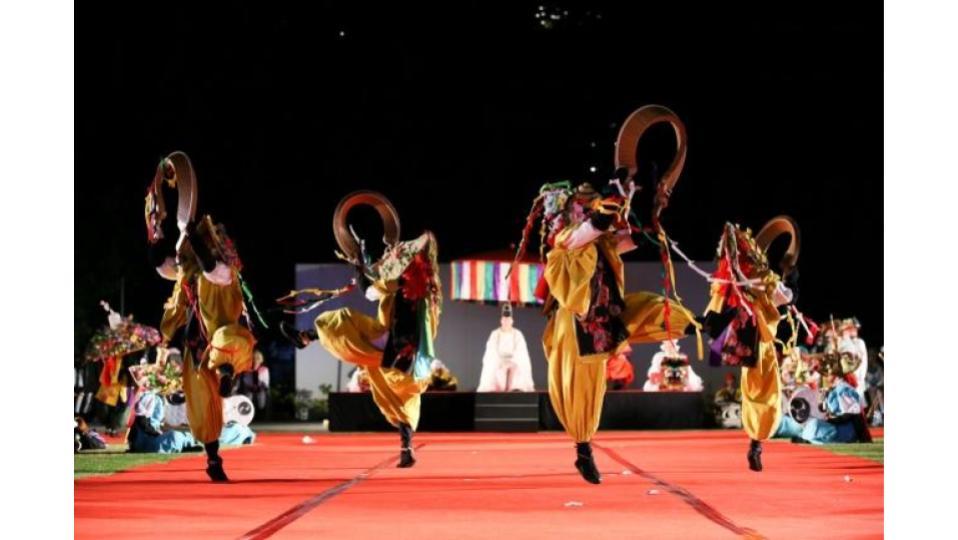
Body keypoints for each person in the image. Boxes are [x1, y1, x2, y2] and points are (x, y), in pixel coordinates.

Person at [515, 180, 698, 484]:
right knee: (581, 388)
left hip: (606, 315)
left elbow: (636, 238)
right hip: (577, 324)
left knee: (651, 307)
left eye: (592, 202)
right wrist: (616, 193)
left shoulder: (602, 241)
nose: (588, 207)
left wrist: (653, 207)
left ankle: (697, 324)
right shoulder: (567, 238)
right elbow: (595, 224)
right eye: (584, 205)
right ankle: (583, 450)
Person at [282, 210, 442, 469]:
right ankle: (406, 449)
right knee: (400, 401)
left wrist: (359, 260)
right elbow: (379, 283)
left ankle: (306, 337)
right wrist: (366, 259)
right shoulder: (430, 289)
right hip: (414, 370)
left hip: (390, 350)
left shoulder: (403, 282)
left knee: (342, 320)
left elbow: (368, 290)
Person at [146, 155, 256, 481]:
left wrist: (193, 235)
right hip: (197, 341)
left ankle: (226, 371)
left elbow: (215, 270)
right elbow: (167, 274)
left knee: (229, 340)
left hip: (224, 331)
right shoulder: (188, 276)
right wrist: (155, 231)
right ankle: (212, 458)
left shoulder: (225, 274)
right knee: (201, 399)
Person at [700, 221, 798, 472]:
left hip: (738, 344)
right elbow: (786, 297)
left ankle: (755, 442)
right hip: (760, 342)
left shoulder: (729, 278)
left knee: (752, 390)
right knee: (766, 392)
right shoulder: (760, 275)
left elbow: (713, 309)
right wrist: (791, 276)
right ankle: (756, 442)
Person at [477, 304, 535, 392]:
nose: (506, 321)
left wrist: (512, 361)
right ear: (501, 320)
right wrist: (501, 362)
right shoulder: (495, 334)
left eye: (508, 319)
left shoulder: (517, 334)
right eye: (505, 319)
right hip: (498, 361)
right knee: (494, 367)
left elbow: (521, 351)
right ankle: (495, 388)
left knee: (519, 368)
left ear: (512, 321)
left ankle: (516, 388)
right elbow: (491, 350)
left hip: (514, 361)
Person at [838, 318, 868, 404]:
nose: (845, 330)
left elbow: (853, 359)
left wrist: (845, 338)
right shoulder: (851, 341)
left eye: (849, 328)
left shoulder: (859, 342)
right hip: (850, 384)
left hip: (854, 384)